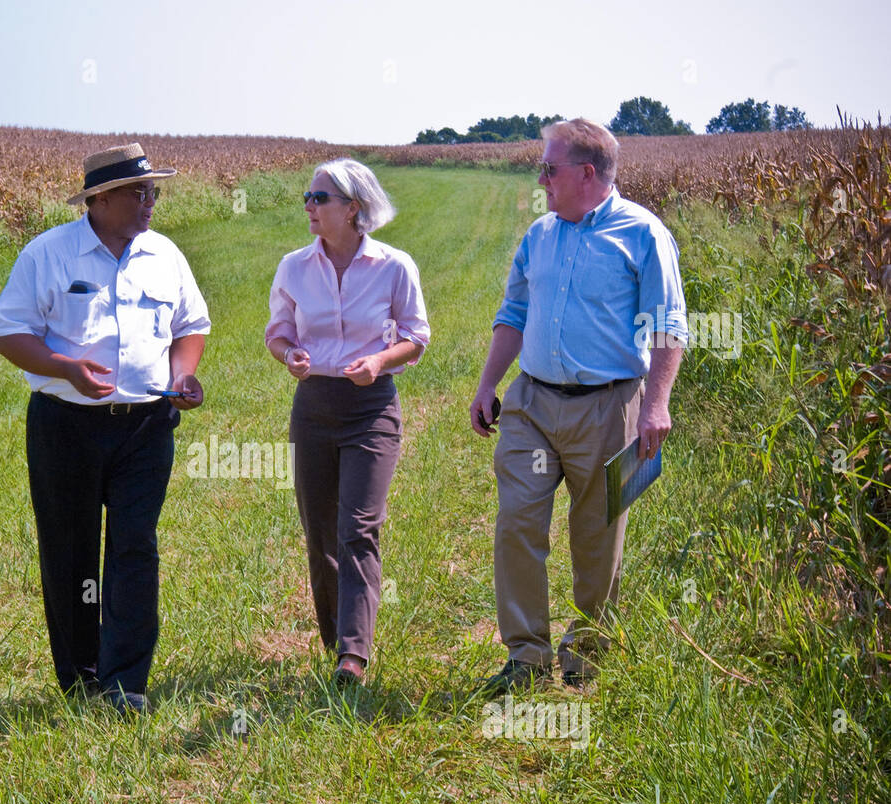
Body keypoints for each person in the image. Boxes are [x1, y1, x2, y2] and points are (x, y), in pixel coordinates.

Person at [0, 143, 210, 716]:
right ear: (100, 199)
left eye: (154, 191)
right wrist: (63, 369)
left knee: (136, 546)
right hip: (66, 426)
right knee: (70, 550)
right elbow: (8, 333)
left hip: (146, 425)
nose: (150, 202)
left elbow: (191, 325)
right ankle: (80, 677)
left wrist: (183, 374)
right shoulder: (47, 255)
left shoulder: (165, 256)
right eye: (139, 192)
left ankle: (125, 682)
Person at [470, 118, 687, 692]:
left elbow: (668, 326)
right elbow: (513, 314)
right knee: (518, 522)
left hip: (609, 407)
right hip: (533, 404)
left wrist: (655, 405)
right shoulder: (540, 235)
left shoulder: (642, 234)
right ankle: (526, 655)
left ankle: (585, 655)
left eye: (549, 168)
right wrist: (489, 383)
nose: (541, 179)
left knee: (598, 535)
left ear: (586, 173)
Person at [264, 158, 430, 687]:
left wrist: (380, 361)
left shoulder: (394, 266)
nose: (309, 207)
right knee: (320, 534)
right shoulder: (293, 266)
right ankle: (337, 640)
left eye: (320, 198)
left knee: (358, 526)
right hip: (313, 407)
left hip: (371, 408)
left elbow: (416, 335)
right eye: (308, 198)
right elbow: (278, 331)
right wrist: (289, 355)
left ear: (353, 208)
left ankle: (353, 655)